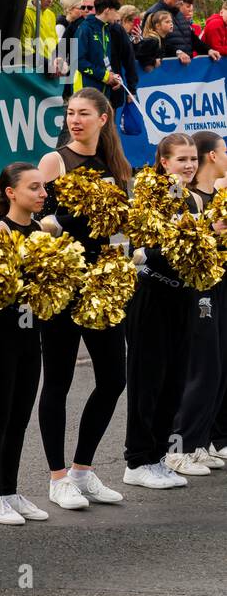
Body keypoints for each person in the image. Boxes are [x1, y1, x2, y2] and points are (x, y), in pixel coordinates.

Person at [36, 87, 132, 511]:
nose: (74, 120)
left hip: (102, 280)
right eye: (70, 113)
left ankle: (83, 470)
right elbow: (40, 221)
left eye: (83, 114)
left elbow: (120, 222)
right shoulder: (55, 161)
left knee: (113, 378)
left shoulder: (114, 163)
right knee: (58, 380)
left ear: (103, 118)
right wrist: (58, 222)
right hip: (62, 279)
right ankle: (57, 477)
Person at [123, 134, 199, 490]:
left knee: (174, 380)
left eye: (193, 159)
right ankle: (136, 460)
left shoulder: (190, 199)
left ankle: (158, 456)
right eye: (181, 159)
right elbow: (142, 250)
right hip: (151, 296)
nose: (189, 165)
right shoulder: (147, 196)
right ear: (163, 162)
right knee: (147, 381)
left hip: (182, 299)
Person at [0, 163, 50, 525]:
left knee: (20, 416)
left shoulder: (38, 229)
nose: (42, 193)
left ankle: (10, 490)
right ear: (11, 193)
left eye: (43, 187)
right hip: (1, 335)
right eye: (34, 188)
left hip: (29, 333)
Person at [168, 131, 227, 474]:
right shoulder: (185, 196)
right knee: (202, 368)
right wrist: (209, 228)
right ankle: (180, 446)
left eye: (191, 159)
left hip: (219, 285)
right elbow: (177, 239)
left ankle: (203, 440)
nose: (188, 165)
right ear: (213, 157)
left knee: (218, 365)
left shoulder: (213, 196)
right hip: (196, 288)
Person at [22, 0, 60, 71]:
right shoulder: (26, 14)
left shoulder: (51, 14)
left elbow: (54, 41)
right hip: (34, 70)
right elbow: (26, 49)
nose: (50, 0)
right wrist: (48, 64)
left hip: (51, 68)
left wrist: (58, 61)